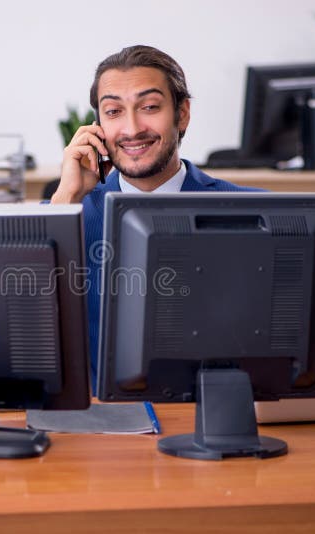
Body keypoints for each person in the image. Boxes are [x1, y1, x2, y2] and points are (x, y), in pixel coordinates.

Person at [51, 45, 260, 373]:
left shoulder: (258, 214)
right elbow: (27, 321)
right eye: (113, 112)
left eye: (149, 107)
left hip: (214, 410)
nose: (132, 129)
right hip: (95, 418)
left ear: (183, 113)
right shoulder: (65, 213)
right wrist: (66, 197)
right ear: (97, 127)